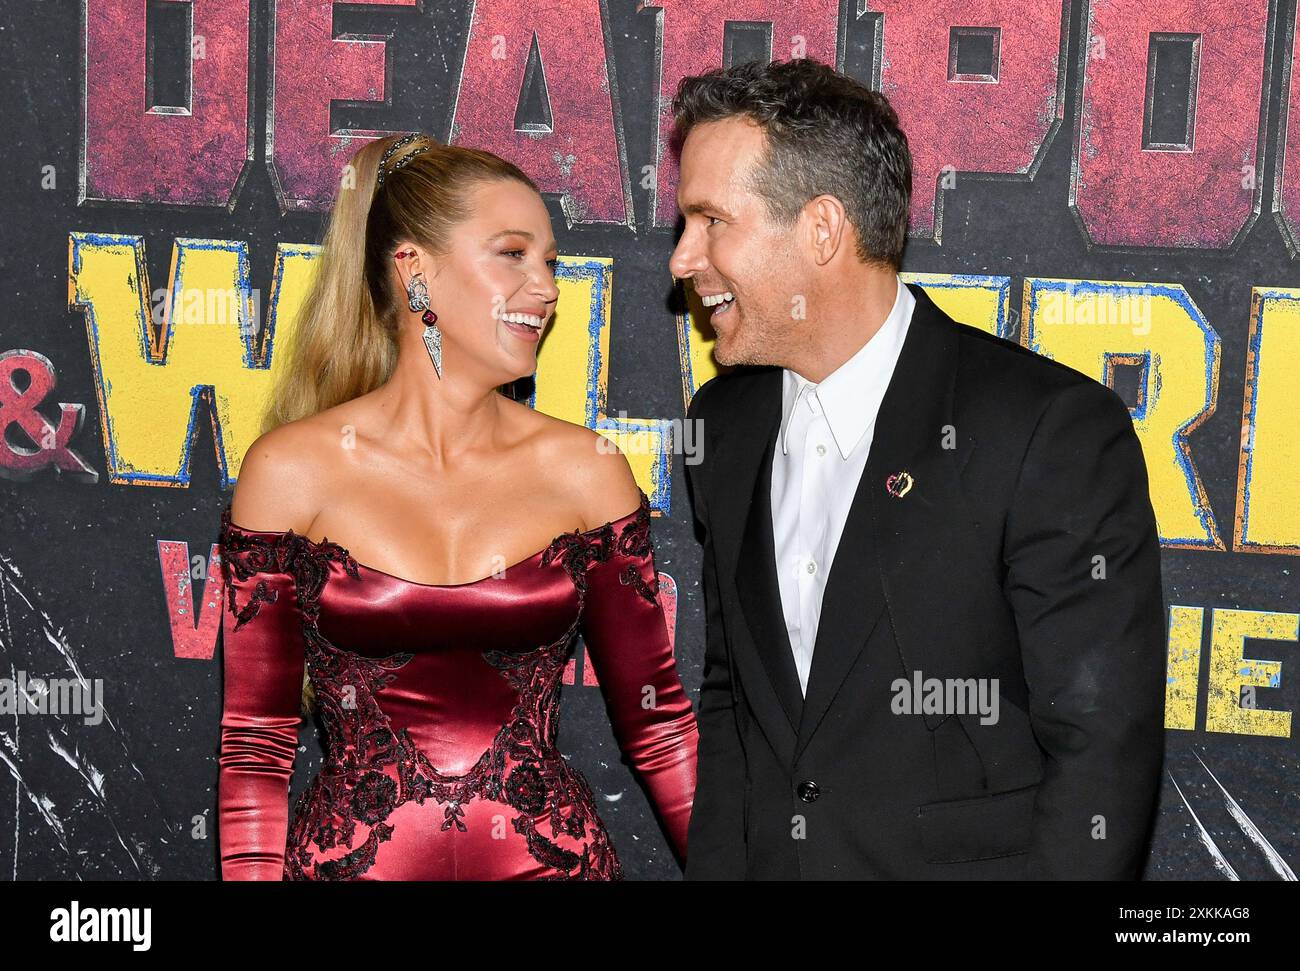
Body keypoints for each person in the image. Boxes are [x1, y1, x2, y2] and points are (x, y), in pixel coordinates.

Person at [671, 59, 1166, 879]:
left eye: (710, 220)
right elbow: (732, 711)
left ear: (822, 230)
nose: (684, 259)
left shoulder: (1045, 430)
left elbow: (1100, 754)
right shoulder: (722, 430)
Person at [217, 132, 698, 880]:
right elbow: (256, 746)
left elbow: (660, 729)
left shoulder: (587, 472)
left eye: (549, 261)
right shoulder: (290, 473)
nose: (545, 287)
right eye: (512, 253)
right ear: (414, 272)